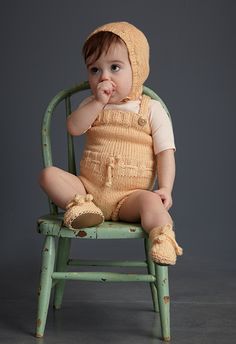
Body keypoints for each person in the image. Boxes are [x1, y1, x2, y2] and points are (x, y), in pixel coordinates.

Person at [39, 21, 183, 265]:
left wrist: (166, 188)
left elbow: (165, 152)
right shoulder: (91, 104)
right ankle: (81, 209)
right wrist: (97, 103)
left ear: (136, 69)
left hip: (129, 198)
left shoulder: (151, 109)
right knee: (48, 175)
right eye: (95, 70)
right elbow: (74, 128)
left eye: (115, 67)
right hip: (87, 191)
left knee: (151, 202)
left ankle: (163, 238)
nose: (104, 77)